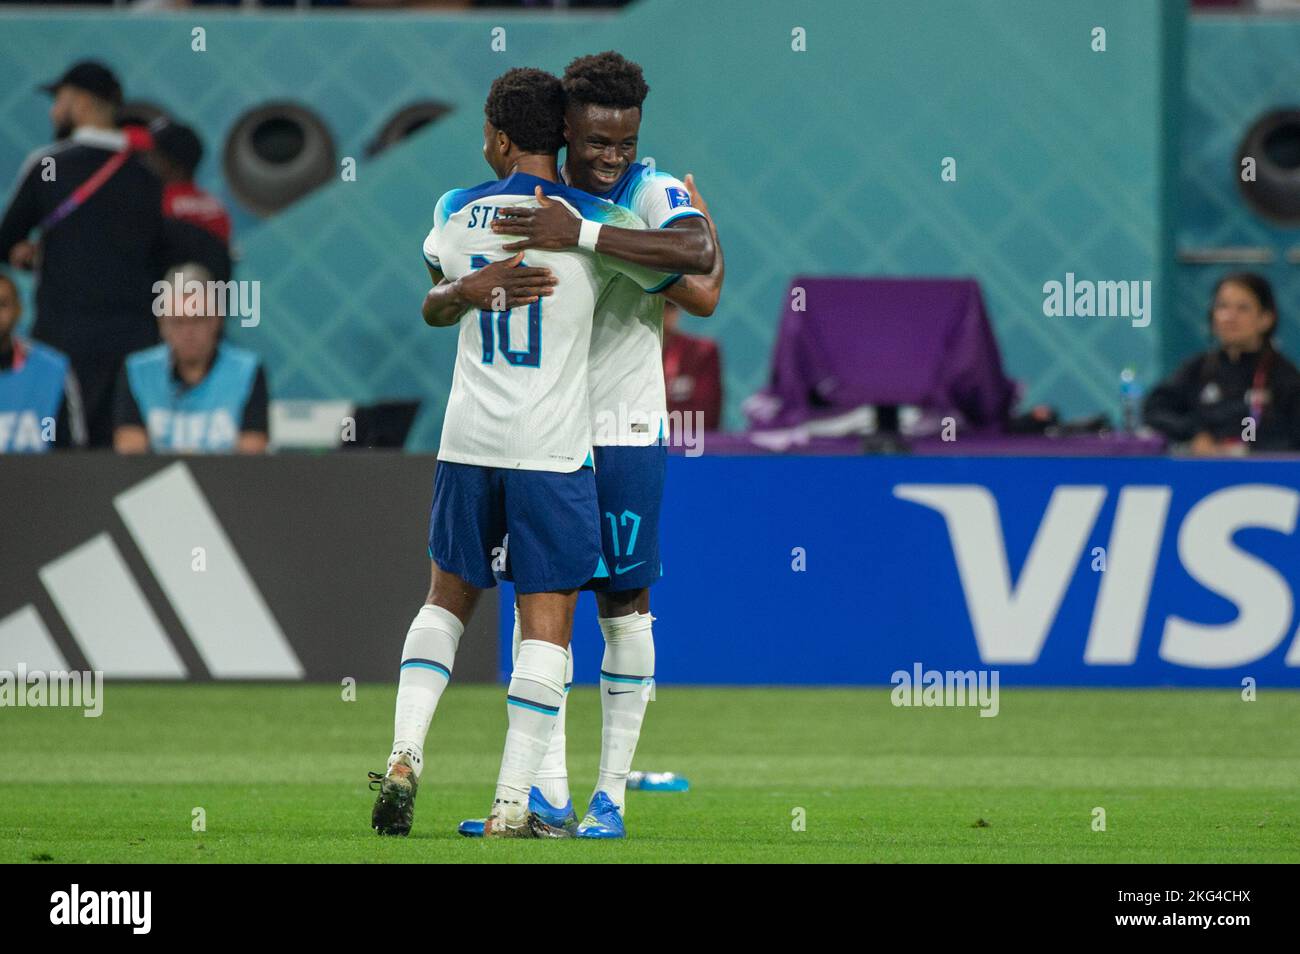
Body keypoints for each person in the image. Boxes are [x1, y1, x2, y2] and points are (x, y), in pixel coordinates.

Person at [368, 67, 678, 839]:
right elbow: (687, 274)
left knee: (445, 600)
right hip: (553, 452)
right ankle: (515, 803)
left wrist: (468, 291)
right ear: (562, 135)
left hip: (466, 444)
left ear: (500, 138)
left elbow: (436, 298)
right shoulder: (592, 219)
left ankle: (406, 753)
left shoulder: (454, 210)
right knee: (549, 621)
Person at [458, 50, 725, 839]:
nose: (612, 158)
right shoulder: (532, 200)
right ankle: (546, 796)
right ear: (565, 129)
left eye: (625, 142)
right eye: (597, 143)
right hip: (542, 430)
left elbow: (700, 275)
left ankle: (611, 798)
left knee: (624, 602)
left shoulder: (645, 192)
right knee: (540, 601)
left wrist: (581, 232)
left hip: (626, 429)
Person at [0, 61, 172, 449]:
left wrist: (25, 256)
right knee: (125, 448)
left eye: (59, 100)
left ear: (80, 102)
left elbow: (4, 240)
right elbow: (163, 254)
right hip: (135, 340)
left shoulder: (49, 164)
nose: (53, 110)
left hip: (63, 337)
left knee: (67, 455)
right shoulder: (148, 175)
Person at [112, 263, 269, 454]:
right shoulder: (138, 371)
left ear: (217, 319)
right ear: (162, 324)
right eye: (178, 321)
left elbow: (253, 455)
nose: (188, 332)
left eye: (198, 319)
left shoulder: (247, 371)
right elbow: (129, 452)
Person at [1144, 272, 1300, 455]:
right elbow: (1155, 410)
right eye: (1222, 307)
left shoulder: (1284, 376)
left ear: (1266, 319)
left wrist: (1249, 450)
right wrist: (1195, 434)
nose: (1229, 317)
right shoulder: (1197, 369)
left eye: (1243, 308)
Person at [0, 271, 86, 452]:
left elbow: (71, 450)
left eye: (2, 304)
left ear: (19, 310)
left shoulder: (53, 370)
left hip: (41, 478)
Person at [149, 120, 234, 283]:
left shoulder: (157, 204)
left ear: (172, 165)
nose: (146, 160)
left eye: (153, 155)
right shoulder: (216, 207)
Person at [663, 299, 723, 433]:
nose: (662, 312)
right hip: (644, 441)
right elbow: (624, 422)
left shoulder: (702, 352)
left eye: (669, 305)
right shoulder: (629, 354)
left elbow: (706, 418)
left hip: (687, 445)